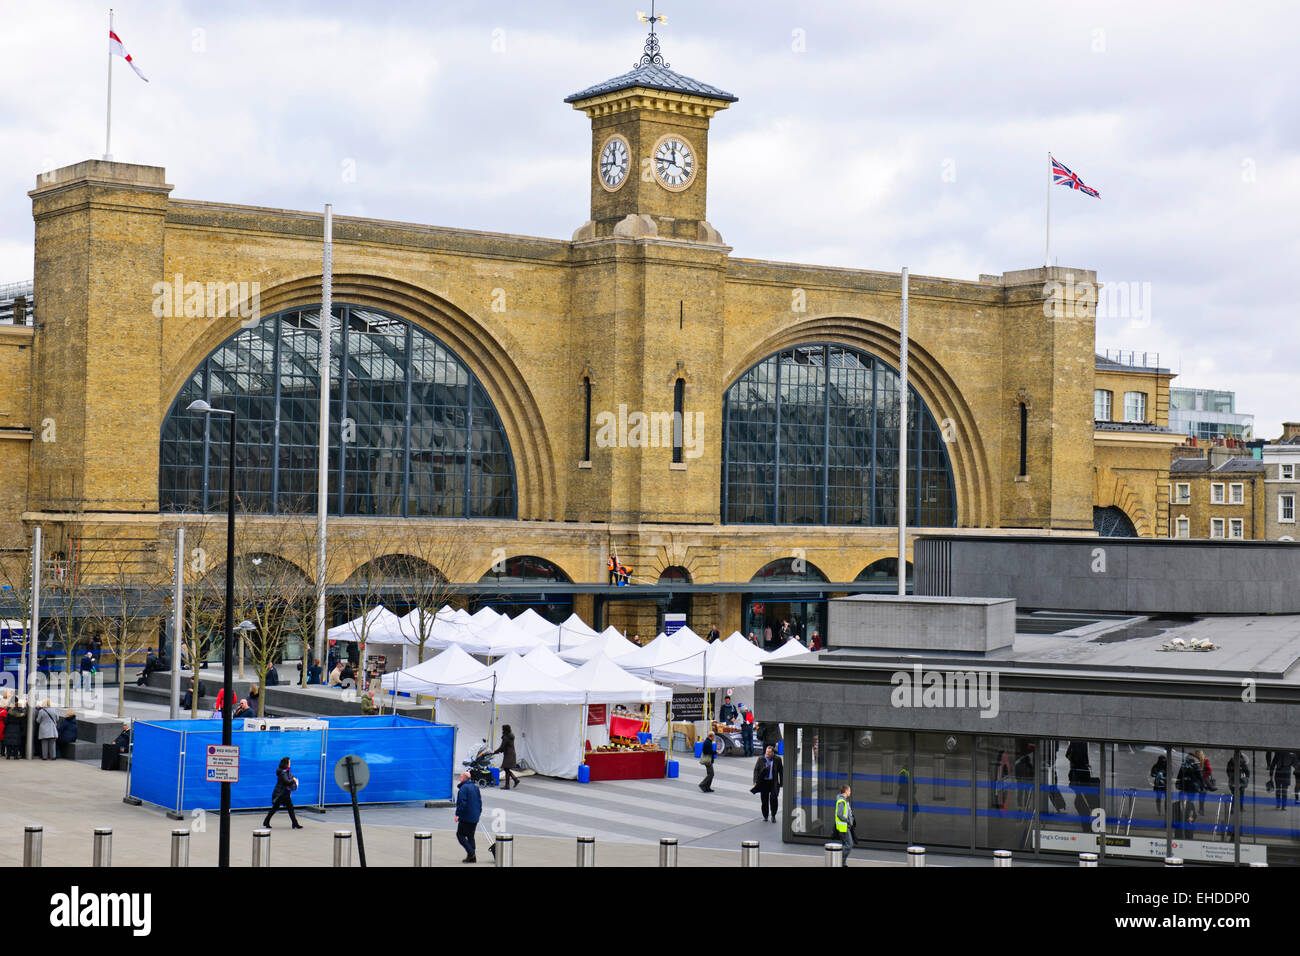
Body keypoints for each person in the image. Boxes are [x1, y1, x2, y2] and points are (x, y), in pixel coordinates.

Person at [261, 756, 303, 829]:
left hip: (284, 793)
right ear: (286, 763)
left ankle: (294, 823)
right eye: (289, 762)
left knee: (288, 808)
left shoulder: (284, 771)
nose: (290, 763)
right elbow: (286, 782)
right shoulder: (283, 772)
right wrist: (294, 780)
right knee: (283, 808)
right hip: (281, 794)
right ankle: (295, 823)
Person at [454, 770, 482, 862]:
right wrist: (478, 814)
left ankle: (471, 853)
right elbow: (479, 802)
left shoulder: (463, 788)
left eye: (460, 776)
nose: (459, 778)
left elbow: (462, 803)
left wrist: (458, 814)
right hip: (474, 816)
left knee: (460, 835)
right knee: (470, 836)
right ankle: (471, 857)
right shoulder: (475, 787)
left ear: (463, 778)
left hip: (466, 816)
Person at [752, 744, 783, 822]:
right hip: (764, 782)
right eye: (766, 752)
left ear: (773, 753)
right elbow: (756, 770)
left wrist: (782, 782)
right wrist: (755, 781)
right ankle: (765, 816)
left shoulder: (777, 759)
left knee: (774, 799)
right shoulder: (761, 759)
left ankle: (773, 815)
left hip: (773, 782)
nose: (767, 754)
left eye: (769, 752)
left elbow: (781, 771)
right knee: (764, 800)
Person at [834, 783, 855, 865]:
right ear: (846, 791)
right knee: (849, 845)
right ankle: (837, 858)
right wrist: (847, 820)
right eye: (849, 791)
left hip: (845, 827)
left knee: (845, 844)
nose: (850, 792)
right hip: (843, 827)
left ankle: (842, 863)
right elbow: (839, 814)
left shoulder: (844, 800)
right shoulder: (842, 801)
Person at [494, 724, 520, 789]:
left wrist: (494, 752)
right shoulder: (510, 736)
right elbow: (505, 747)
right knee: (506, 769)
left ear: (505, 730)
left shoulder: (506, 737)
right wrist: (499, 751)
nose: (502, 730)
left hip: (508, 755)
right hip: (511, 754)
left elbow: (502, 746)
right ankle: (514, 780)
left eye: (503, 729)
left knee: (506, 768)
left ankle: (510, 783)